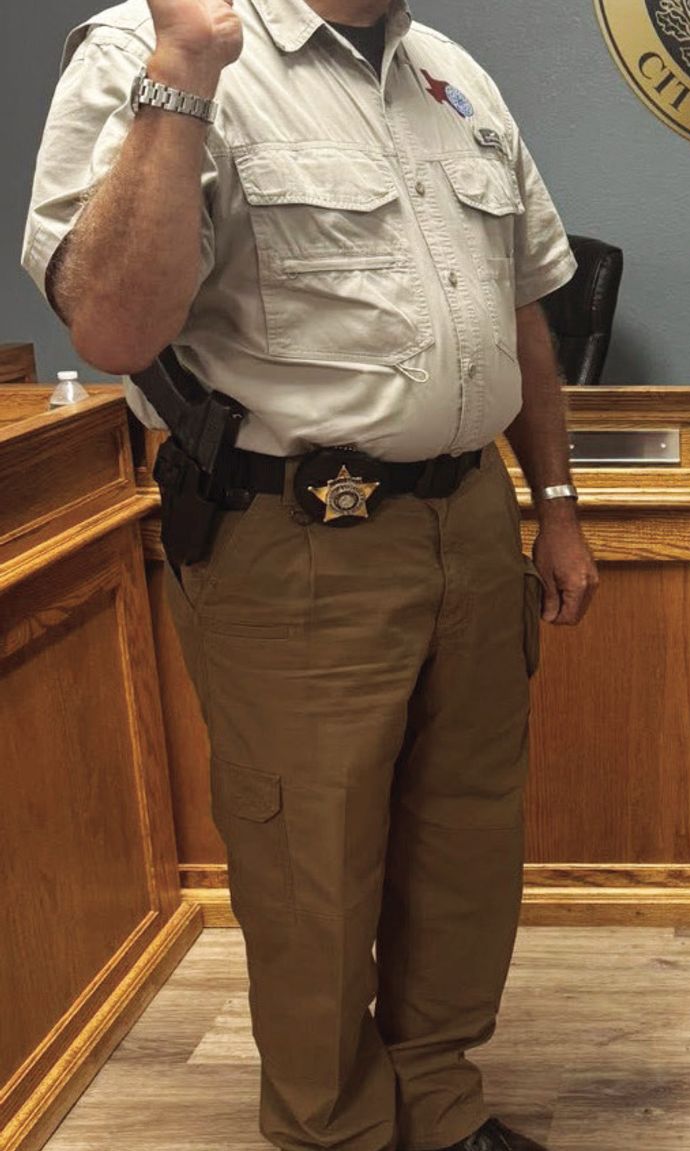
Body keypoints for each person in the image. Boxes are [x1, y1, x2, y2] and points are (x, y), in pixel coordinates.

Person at [24, 0, 598, 1148]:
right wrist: (184, 67)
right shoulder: (154, 48)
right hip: (295, 535)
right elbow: (113, 325)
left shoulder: (450, 72)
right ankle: (330, 1125)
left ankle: (436, 1102)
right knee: (312, 859)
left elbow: (519, 303)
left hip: (472, 522)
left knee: (465, 839)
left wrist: (558, 502)